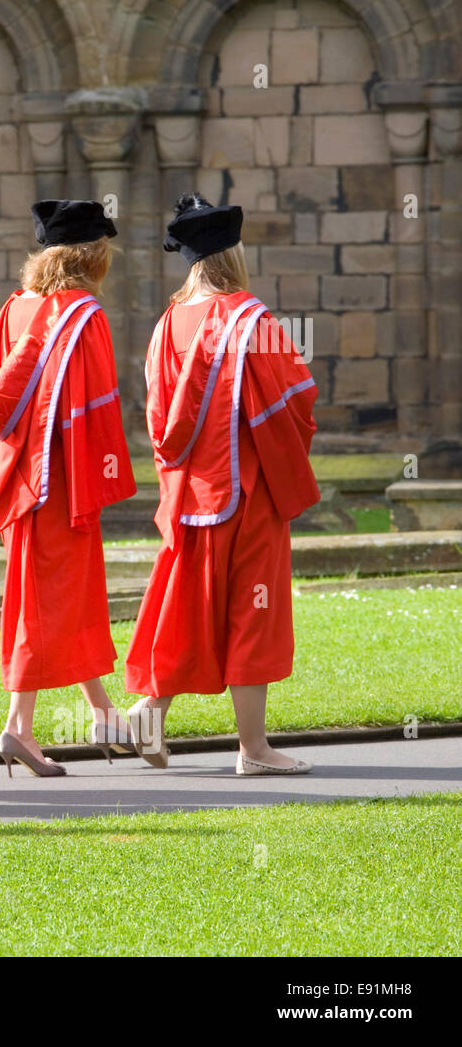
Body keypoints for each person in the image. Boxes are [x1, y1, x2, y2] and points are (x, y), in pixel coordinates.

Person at [124, 193, 320, 775]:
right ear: (232, 255)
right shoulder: (248, 318)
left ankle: (149, 712)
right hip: (248, 493)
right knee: (251, 614)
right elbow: (294, 402)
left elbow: (160, 419)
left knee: (192, 608)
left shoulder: (167, 324)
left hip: (190, 496)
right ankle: (254, 751)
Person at [0, 200, 139, 777]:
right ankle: (18, 727)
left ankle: (103, 713)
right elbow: (91, 410)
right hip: (60, 482)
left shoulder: (17, 307)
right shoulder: (83, 315)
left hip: (19, 476)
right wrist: (105, 476)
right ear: (93, 256)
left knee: (63, 596)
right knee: (41, 603)